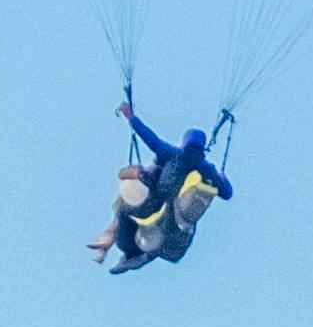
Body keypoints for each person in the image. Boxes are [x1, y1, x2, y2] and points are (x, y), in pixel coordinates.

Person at [95, 100, 231, 268]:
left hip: (153, 201)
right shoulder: (204, 167)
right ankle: (117, 249)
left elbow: (151, 139)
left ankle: (123, 252)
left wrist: (130, 117)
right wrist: (223, 179)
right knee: (125, 208)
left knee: (123, 209)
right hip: (168, 205)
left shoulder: (172, 153)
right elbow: (226, 193)